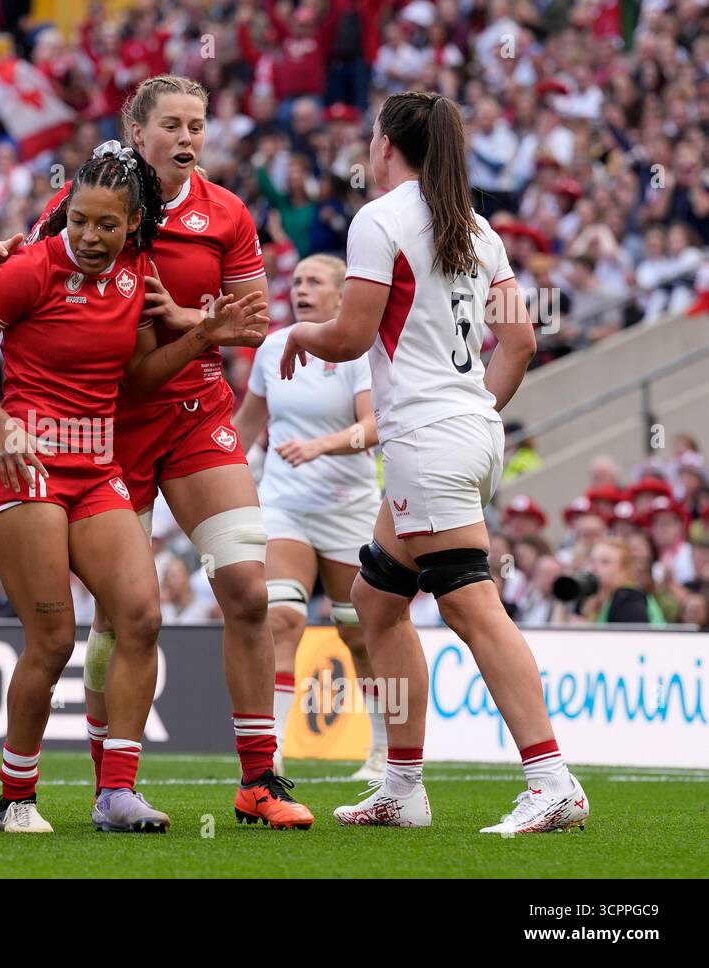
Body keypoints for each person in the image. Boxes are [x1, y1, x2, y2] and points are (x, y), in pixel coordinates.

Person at [0, 76, 313, 830]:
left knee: (249, 591)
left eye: (198, 123)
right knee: (115, 621)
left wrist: (192, 318)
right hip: (102, 426)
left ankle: (261, 778)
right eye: (172, 125)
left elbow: (252, 325)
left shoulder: (226, 214)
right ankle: (110, 785)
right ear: (136, 128)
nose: (188, 138)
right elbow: (35, 267)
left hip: (192, 415)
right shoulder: (89, 203)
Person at [280, 91, 589, 833]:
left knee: (470, 606)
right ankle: (403, 786)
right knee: (379, 602)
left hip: (424, 439)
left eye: (371, 135)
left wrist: (301, 332)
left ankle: (552, 781)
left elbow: (352, 335)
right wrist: (475, 409)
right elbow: (519, 344)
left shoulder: (378, 219)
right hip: (468, 432)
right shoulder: (477, 227)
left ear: (387, 145)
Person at [232, 253, 386, 781]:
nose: (301, 288)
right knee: (281, 619)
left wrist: (321, 447)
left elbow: (374, 428)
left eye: (314, 281)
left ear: (342, 296)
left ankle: (384, 751)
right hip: (284, 505)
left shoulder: (359, 354)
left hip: (348, 509)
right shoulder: (272, 348)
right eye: (296, 280)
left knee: (360, 635)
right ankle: (271, 752)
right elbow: (247, 427)